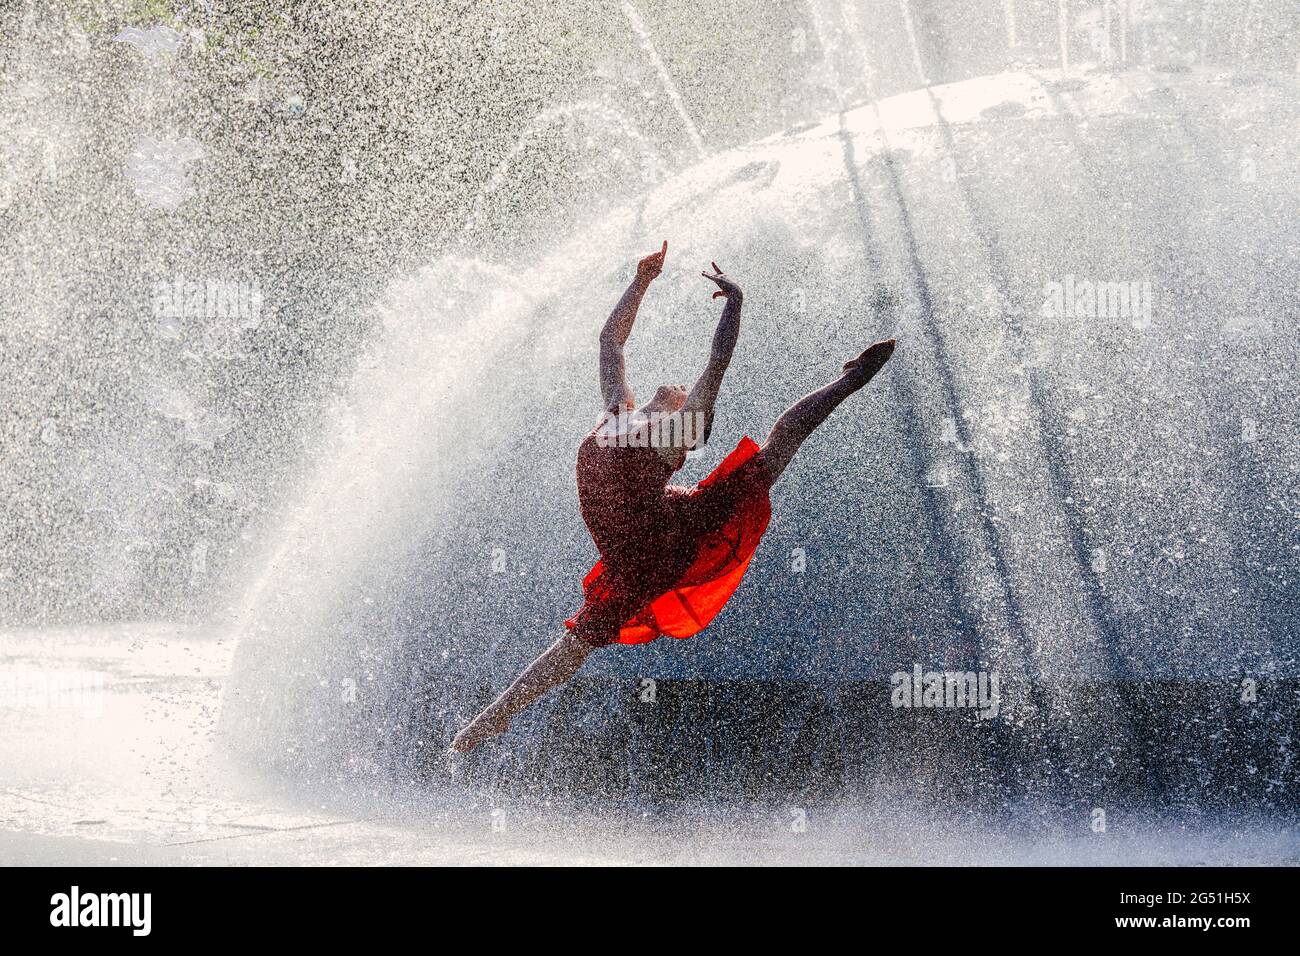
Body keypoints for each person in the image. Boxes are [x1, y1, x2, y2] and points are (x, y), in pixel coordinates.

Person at [451, 241, 894, 753]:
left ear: (682, 432)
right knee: (579, 640)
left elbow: (717, 365)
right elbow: (610, 342)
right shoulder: (619, 411)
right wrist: (642, 280)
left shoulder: (670, 437)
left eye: (685, 400)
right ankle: (497, 715)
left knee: (784, 439)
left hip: (659, 546)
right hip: (643, 537)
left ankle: (852, 377)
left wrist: (735, 303)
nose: (680, 389)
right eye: (678, 394)